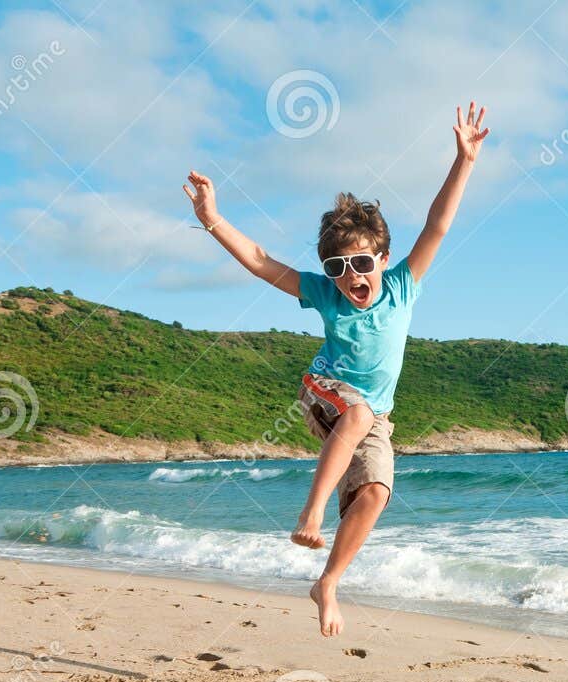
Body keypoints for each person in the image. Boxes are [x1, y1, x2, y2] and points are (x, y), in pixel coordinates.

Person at [184, 103, 490, 636]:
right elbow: (261, 261)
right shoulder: (326, 295)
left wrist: (463, 161)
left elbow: (437, 225)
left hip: (375, 418)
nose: (352, 275)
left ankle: (327, 582)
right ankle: (311, 514)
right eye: (338, 266)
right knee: (357, 414)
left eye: (362, 262)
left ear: (383, 260)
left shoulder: (401, 287)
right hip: (322, 390)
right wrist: (212, 220)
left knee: (375, 494)